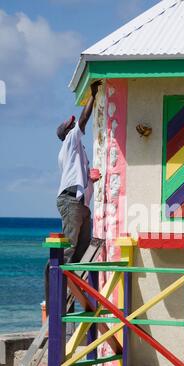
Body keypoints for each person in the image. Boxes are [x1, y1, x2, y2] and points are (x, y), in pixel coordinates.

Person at [56, 80, 102, 263]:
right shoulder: (69, 142)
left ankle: (74, 289)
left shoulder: (75, 152)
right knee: (70, 248)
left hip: (80, 204)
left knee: (82, 249)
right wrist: (93, 95)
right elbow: (83, 120)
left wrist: (90, 181)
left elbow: (78, 180)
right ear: (67, 133)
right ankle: (61, 285)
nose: (75, 127)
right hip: (71, 201)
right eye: (71, 126)